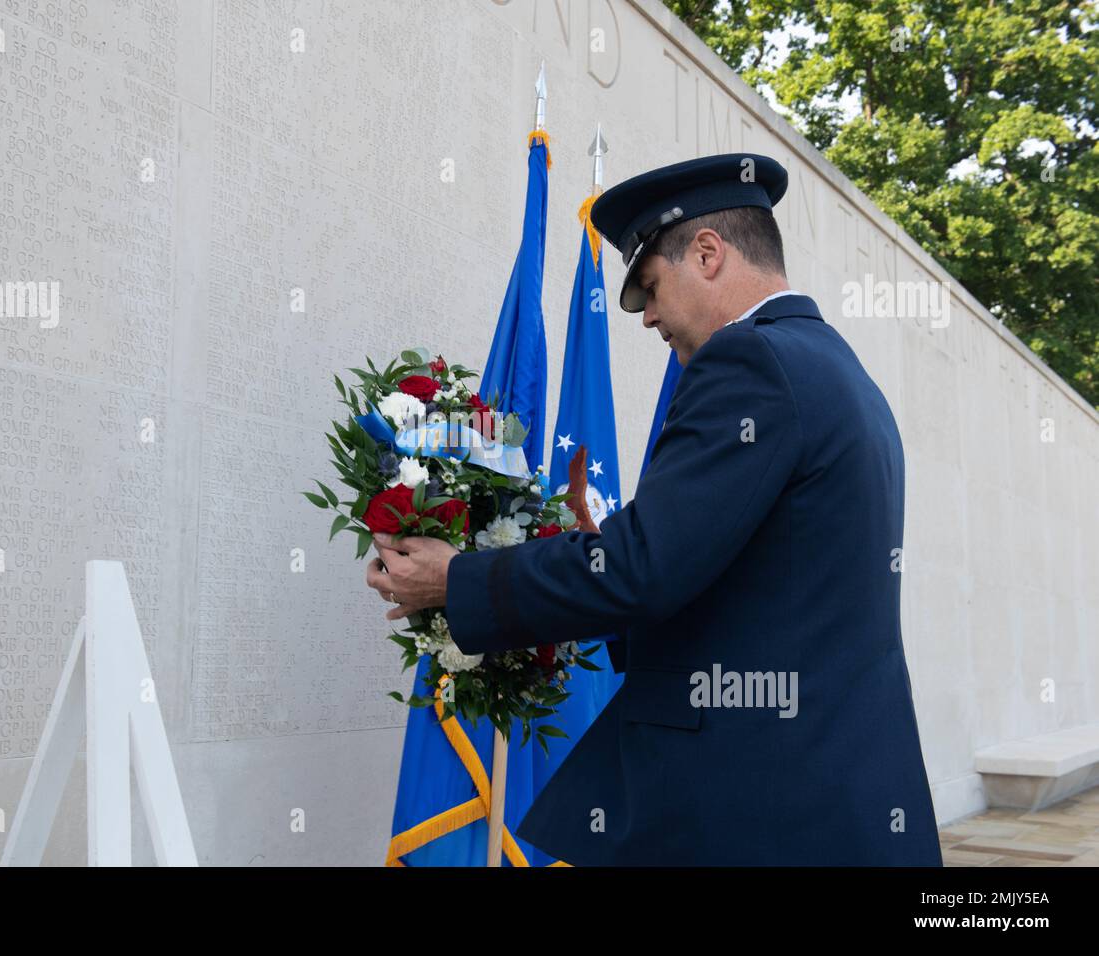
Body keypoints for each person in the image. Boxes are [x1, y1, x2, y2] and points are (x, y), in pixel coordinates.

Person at [365, 153, 943, 866]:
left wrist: (459, 581)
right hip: (823, 798)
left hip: (759, 813)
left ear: (707, 253)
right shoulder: (839, 373)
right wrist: (605, 552)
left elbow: (644, 569)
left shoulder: (752, 365)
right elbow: (741, 594)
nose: (645, 319)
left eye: (648, 287)